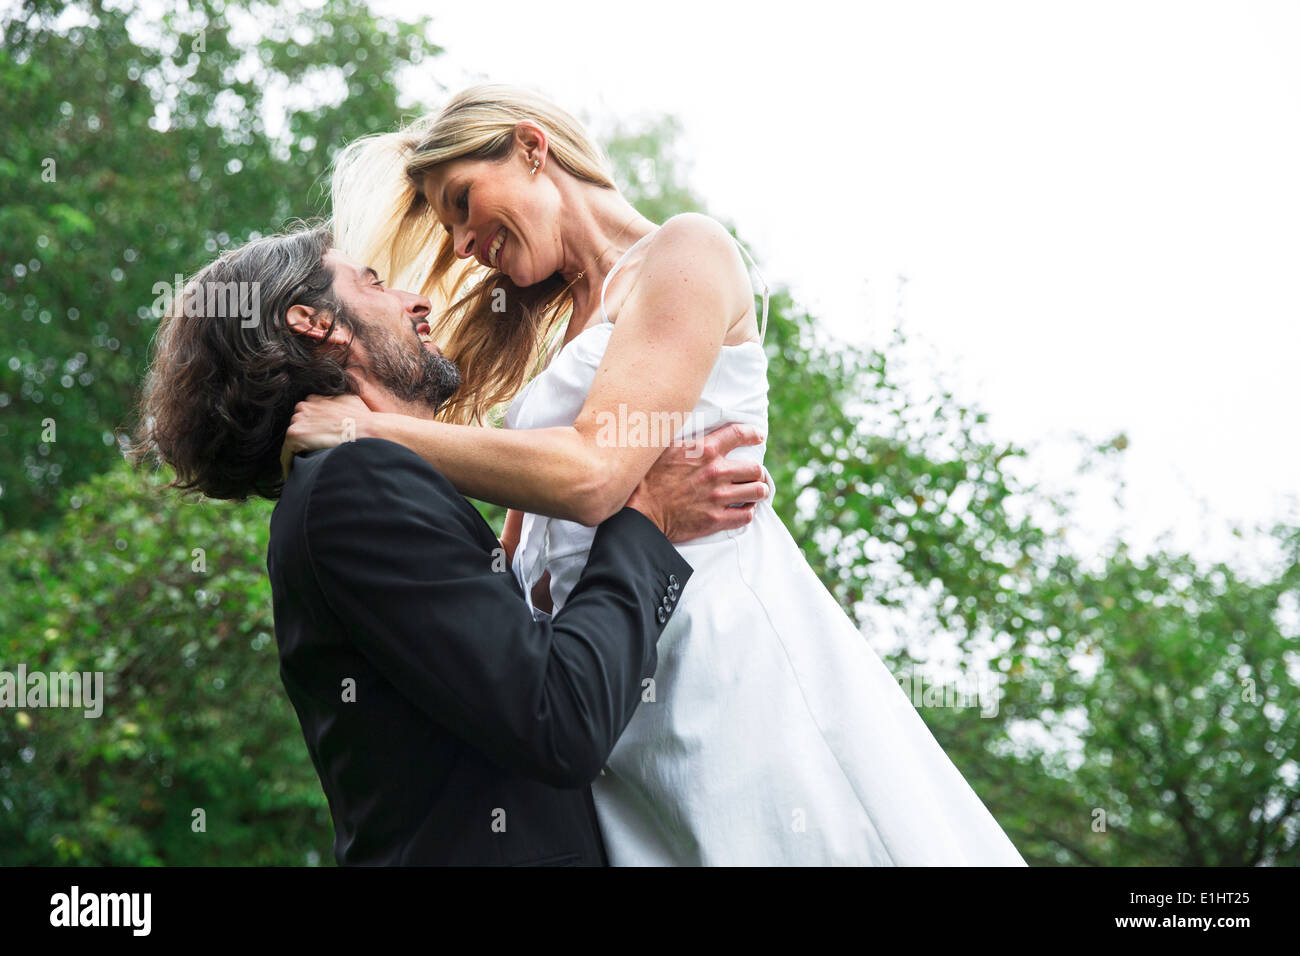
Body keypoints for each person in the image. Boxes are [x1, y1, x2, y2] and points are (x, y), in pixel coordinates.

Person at [284, 84, 1027, 865]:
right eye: (451, 226)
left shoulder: (685, 253)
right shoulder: (559, 326)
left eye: (464, 202)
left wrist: (371, 431)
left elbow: (593, 475)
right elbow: (527, 537)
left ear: (532, 148)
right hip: (615, 684)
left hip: (718, 656)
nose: (465, 241)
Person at [131, 225, 771, 865]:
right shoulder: (354, 486)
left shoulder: (351, 490)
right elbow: (561, 719)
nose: (418, 301)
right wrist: (648, 519)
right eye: (373, 283)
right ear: (316, 322)